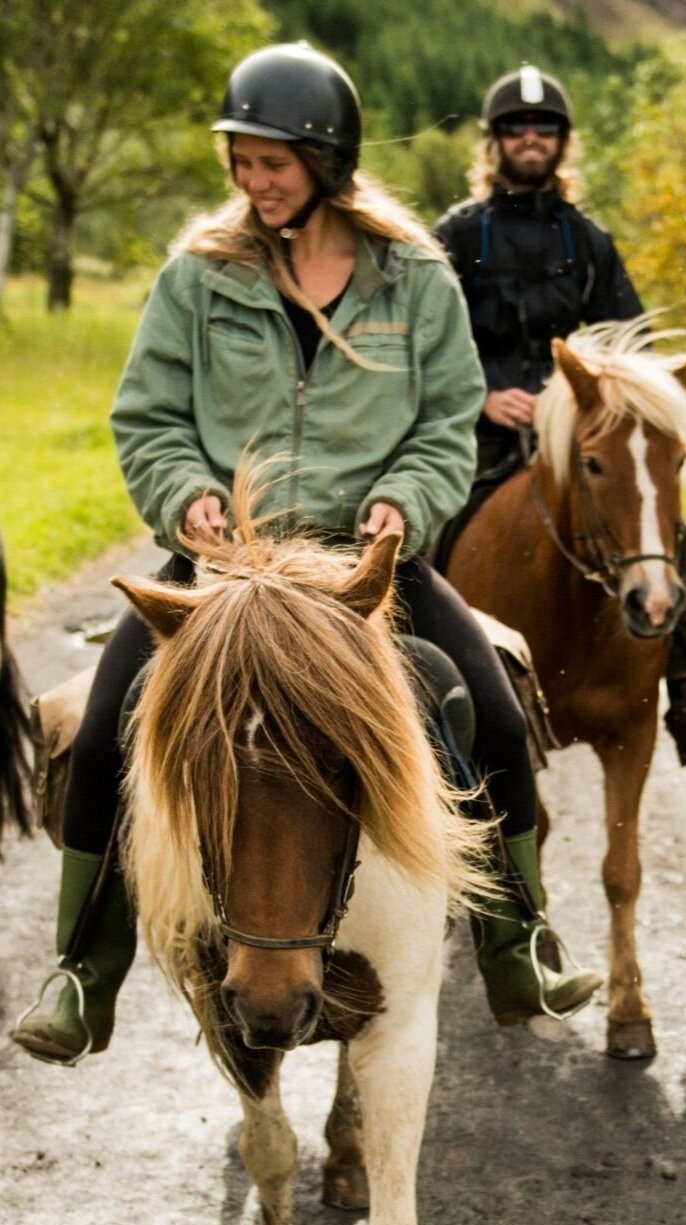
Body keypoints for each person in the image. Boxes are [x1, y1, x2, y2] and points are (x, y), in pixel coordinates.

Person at [12, 43, 604, 1066]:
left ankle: (521, 944)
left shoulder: (414, 274)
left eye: (272, 162)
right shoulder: (197, 275)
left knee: (494, 718)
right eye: (240, 162)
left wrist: (402, 504)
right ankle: (81, 972)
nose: (253, 182)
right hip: (222, 573)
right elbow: (147, 416)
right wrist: (183, 494)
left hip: (365, 569)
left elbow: (445, 422)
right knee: (106, 729)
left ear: (325, 157)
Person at [433, 65, 686, 768]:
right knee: (424, 533)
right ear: (493, 143)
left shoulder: (587, 241)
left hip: (575, 432)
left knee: (666, 536)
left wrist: (600, 397)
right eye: (515, 129)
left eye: (543, 129)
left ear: (562, 142)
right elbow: (423, 339)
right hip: (476, 433)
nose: (529, 139)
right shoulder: (454, 237)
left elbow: (631, 344)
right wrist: (481, 391)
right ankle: (412, 699)